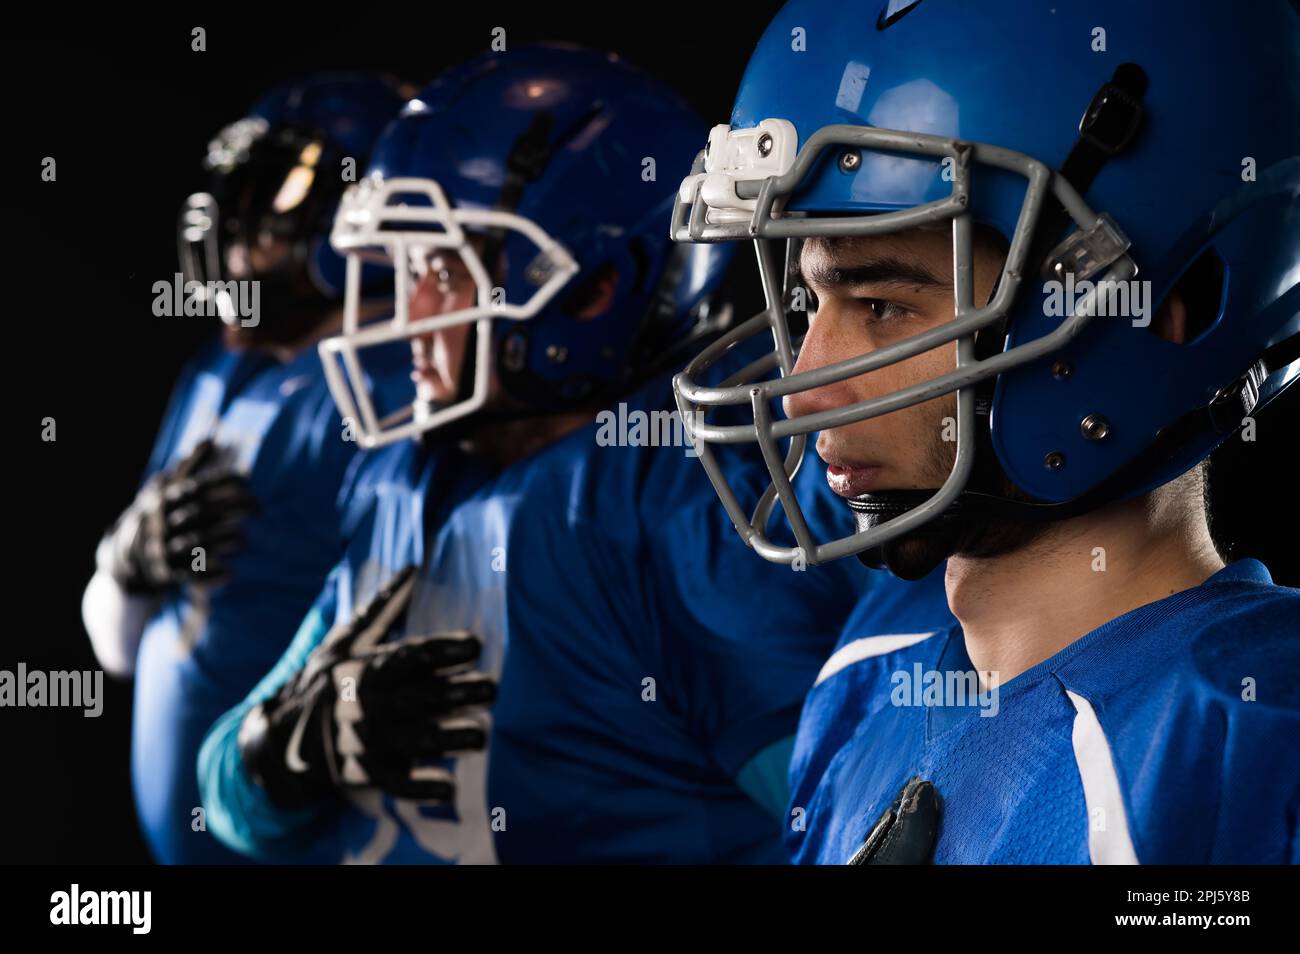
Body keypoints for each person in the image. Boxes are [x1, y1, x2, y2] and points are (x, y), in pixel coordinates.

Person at [198, 45, 922, 864]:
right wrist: (292, 746)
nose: (409, 310)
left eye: (444, 267)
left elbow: (842, 822)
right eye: (405, 268)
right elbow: (229, 797)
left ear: (592, 287)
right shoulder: (406, 474)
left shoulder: (667, 507)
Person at [670, 0, 1300, 863]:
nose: (799, 392)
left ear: (1150, 314)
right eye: (811, 303)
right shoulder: (866, 686)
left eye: (882, 305)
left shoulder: (1252, 746)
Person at [82, 73, 410, 863]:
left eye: (271, 203)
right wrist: (123, 566)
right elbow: (116, 648)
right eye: (238, 200)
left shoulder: (396, 385)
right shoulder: (218, 370)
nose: (234, 238)